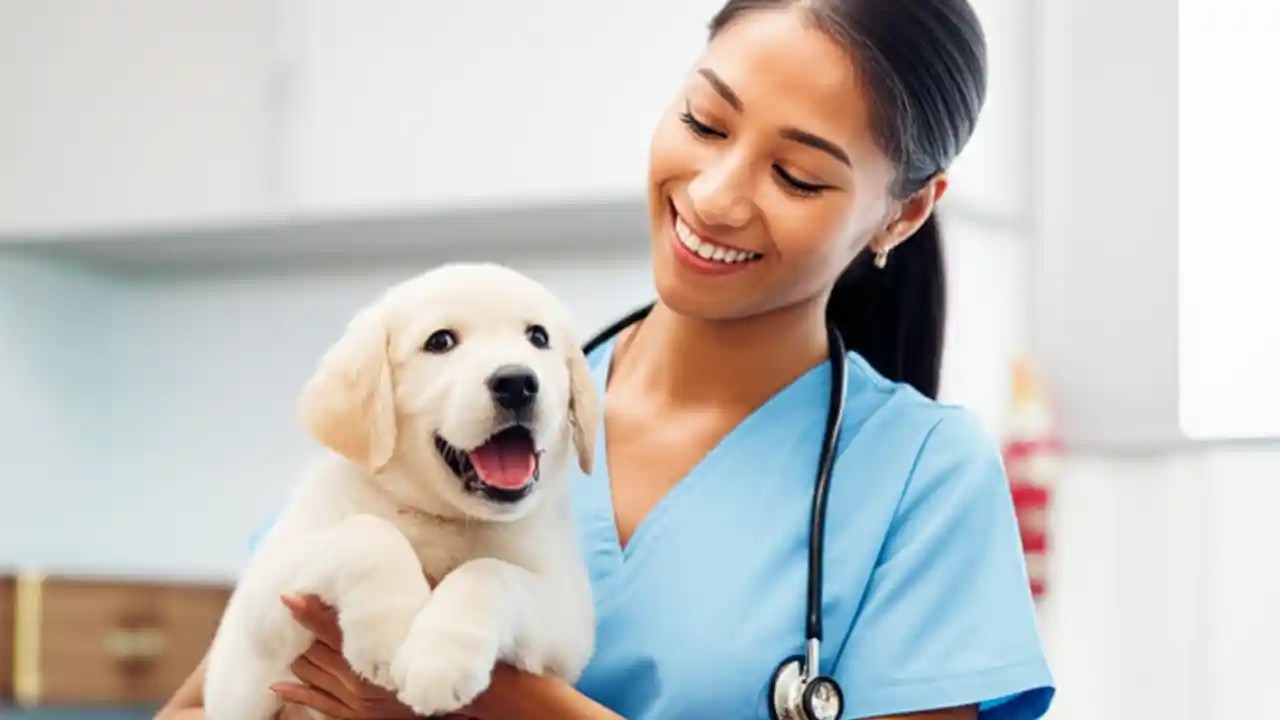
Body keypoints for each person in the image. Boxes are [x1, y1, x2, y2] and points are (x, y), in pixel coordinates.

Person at [158, 0, 1055, 717]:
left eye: (796, 176)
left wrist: (502, 702)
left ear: (904, 212)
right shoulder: (455, 410)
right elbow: (217, 694)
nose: (716, 196)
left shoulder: (921, 478)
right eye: (706, 122)